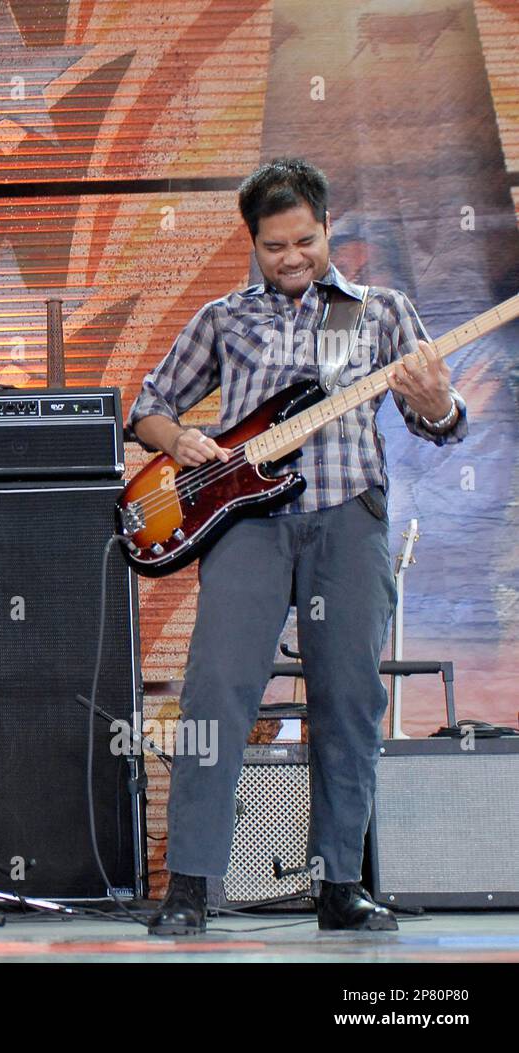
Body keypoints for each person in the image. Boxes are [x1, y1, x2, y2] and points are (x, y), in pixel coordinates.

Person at [130, 158, 467, 934]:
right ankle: (190, 887)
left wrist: (438, 400)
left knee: (349, 703)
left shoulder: (378, 312)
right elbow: (147, 405)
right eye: (275, 245)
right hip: (246, 526)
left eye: (305, 241)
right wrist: (180, 438)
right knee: (215, 698)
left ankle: (338, 883)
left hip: (348, 521)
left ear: (327, 228)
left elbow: (440, 425)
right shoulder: (224, 318)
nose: (291, 258)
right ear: (253, 241)